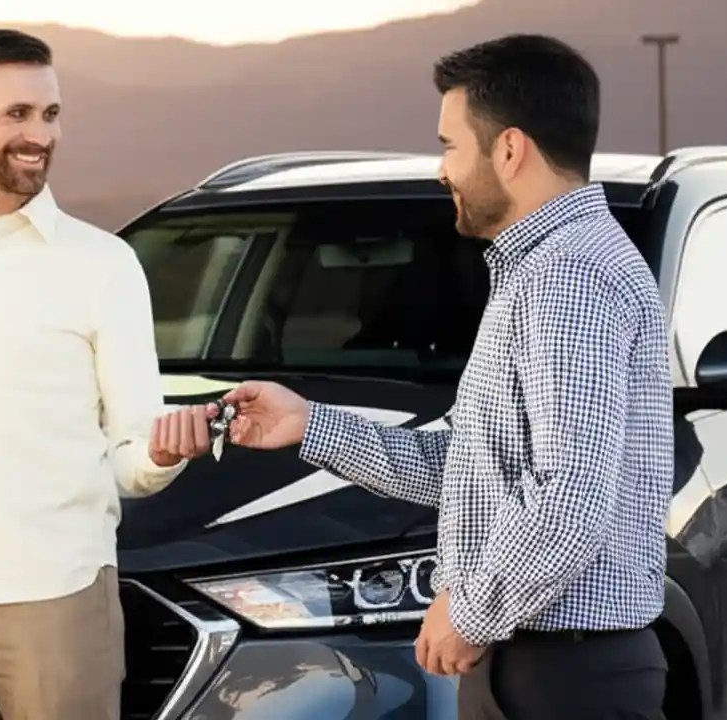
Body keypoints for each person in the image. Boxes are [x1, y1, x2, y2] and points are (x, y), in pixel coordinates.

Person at [212, 34, 673, 720]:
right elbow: (468, 466)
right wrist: (309, 424)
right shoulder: (540, 271)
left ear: (509, 149)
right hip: (545, 665)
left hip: (565, 675)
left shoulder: (567, 278)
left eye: (451, 145)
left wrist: (472, 609)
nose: (442, 169)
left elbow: (571, 497)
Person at [0, 28, 212, 720]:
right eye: (17, 115)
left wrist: (161, 453)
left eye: (51, 114)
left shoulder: (102, 264)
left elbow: (131, 453)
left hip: (53, 597)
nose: (40, 135)